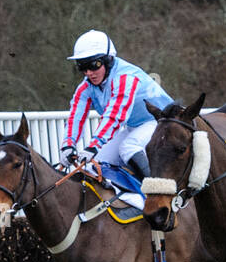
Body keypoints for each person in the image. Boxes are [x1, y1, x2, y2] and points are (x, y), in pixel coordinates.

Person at [62, 30, 174, 182]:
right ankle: (130, 202)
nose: (89, 73)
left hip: (164, 122)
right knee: (96, 164)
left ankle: (160, 191)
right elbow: (76, 116)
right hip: (137, 126)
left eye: (94, 65)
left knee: (129, 147)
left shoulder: (126, 78)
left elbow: (115, 115)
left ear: (108, 60)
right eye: (82, 67)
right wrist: (68, 145)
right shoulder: (86, 86)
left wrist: (94, 145)